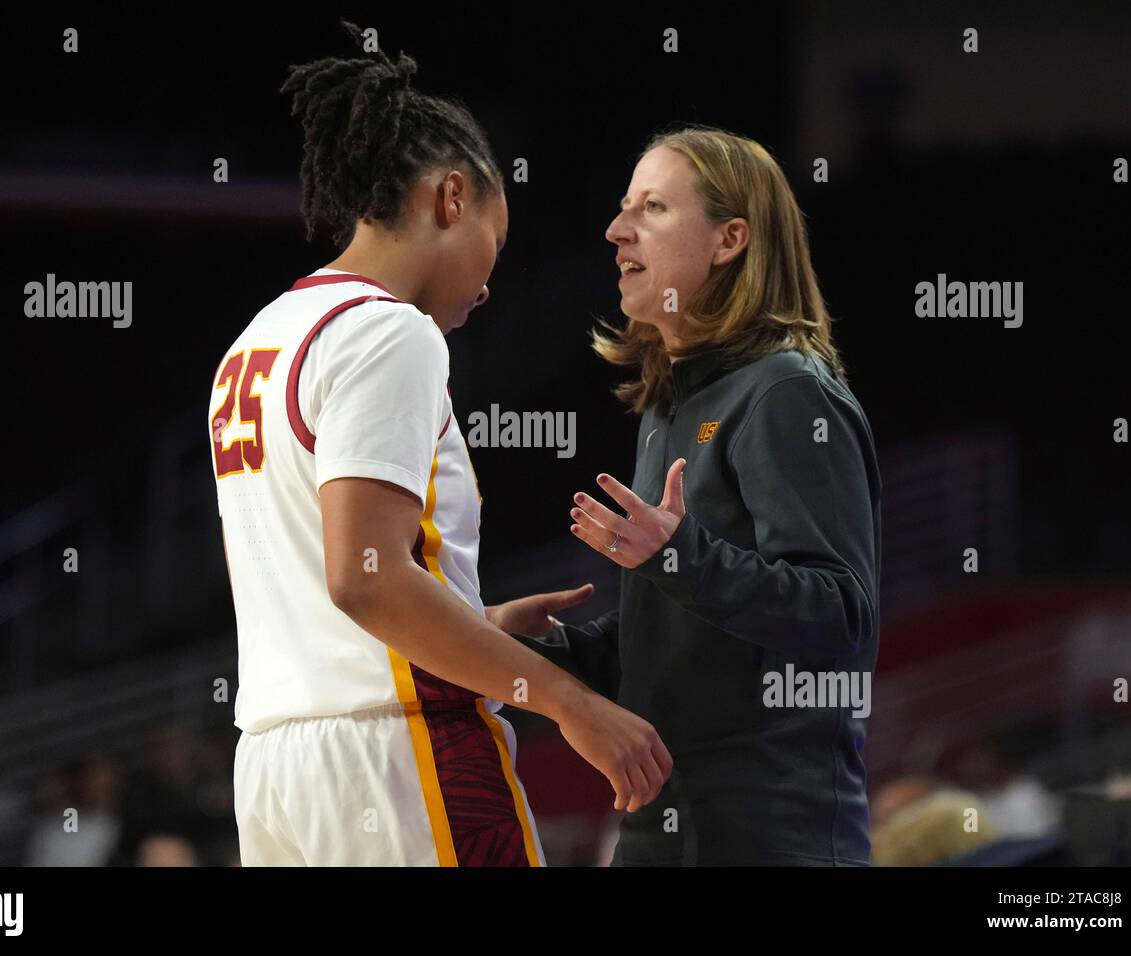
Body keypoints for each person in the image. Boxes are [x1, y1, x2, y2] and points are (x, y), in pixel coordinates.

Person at [209, 22, 671, 867]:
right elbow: (364, 580)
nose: (492, 281)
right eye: (495, 241)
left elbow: (330, 602)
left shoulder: (260, 337)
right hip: (396, 762)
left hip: (275, 771)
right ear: (451, 198)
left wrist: (479, 628)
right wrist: (569, 701)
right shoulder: (390, 332)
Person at [514, 127, 882, 865]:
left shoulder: (787, 393)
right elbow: (688, 648)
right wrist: (529, 649)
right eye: (623, 208)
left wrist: (680, 555)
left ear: (729, 240)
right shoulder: (668, 405)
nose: (617, 231)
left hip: (772, 838)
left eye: (652, 208)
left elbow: (842, 622)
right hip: (661, 825)